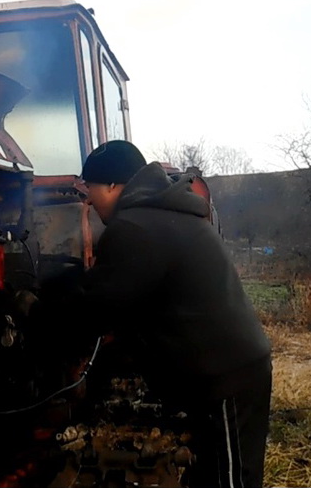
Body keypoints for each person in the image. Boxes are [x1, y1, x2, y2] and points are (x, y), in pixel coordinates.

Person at [61, 139, 273, 488]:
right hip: (228, 367)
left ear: (112, 184)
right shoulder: (165, 212)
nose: (89, 201)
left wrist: (45, 315)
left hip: (227, 376)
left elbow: (100, 307)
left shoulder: (135, 227)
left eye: (91, 189)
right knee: (210, 473)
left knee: (231, 480)